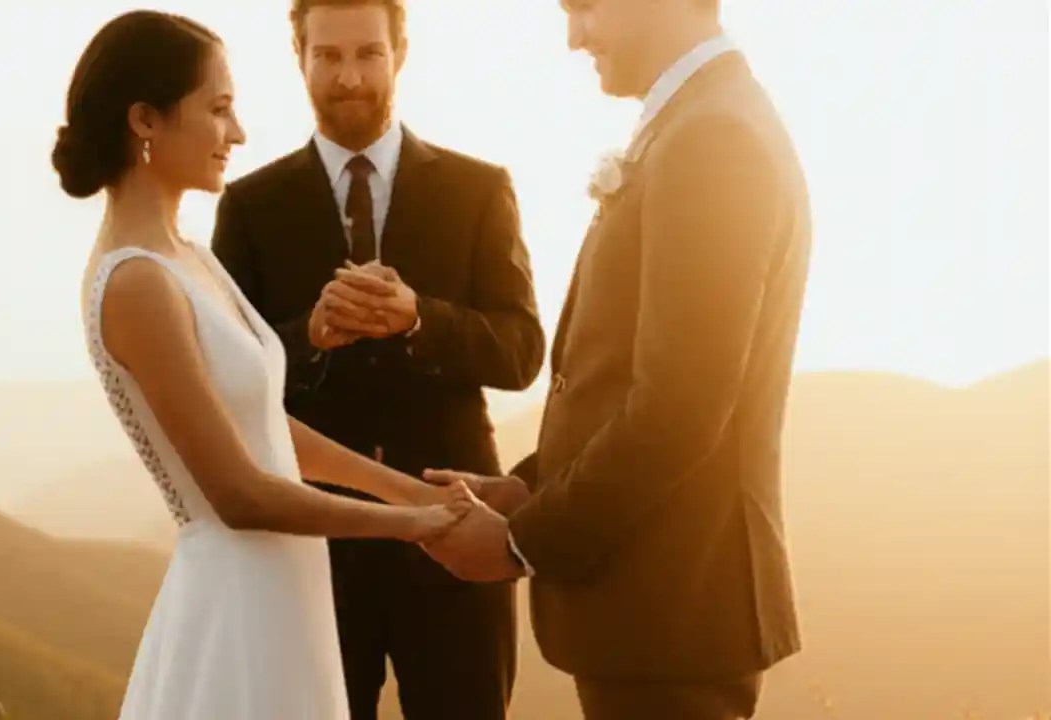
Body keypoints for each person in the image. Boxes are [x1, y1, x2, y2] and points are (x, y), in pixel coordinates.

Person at [51, 11, 471, 719]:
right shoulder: (137, 283)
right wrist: (412, 527)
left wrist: (409, 492)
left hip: (283, 594)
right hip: (236, 608)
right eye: (219, 109)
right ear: (145, 120)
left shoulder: (189, 257)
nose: (238, 133)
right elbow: (240, 494)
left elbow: (263, 428)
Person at [423, 1, 812, 718]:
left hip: (672, 609)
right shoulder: (698, 123)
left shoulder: (713, 139)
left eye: (585, 6)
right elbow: (626, 380)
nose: (574, 38)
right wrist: (530, 487)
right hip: (656, 613)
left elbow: (681, 407)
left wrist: (520, 543)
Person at [210, 1, 544, 718]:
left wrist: (421, 317)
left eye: (367, 54)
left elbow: (522, 352)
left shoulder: (479, 189)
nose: (349, 77)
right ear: (298, 58)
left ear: (400, 54)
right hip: (312, 546)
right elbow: (223, 380)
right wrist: (309, 337)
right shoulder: (247, 206)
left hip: (456, 530)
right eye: (327, 57)